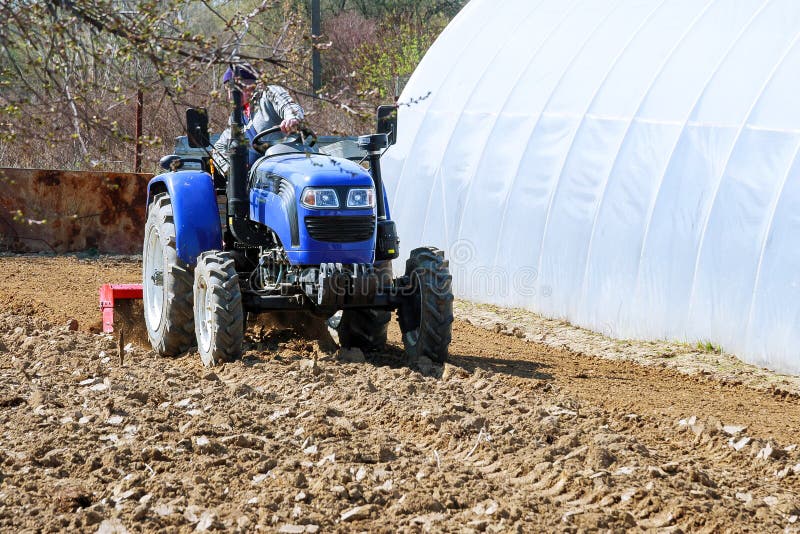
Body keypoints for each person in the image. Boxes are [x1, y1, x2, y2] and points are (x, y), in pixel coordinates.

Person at [212, 64, 305, 174]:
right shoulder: (236, 117)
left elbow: (288, 106)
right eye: (228, 90)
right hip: (259, 177)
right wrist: (232, 170)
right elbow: (218, 147)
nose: (229, 96)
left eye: (233, 89)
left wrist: (292, 118)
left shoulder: (269, 93)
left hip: (288, 166)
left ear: (250, 85)